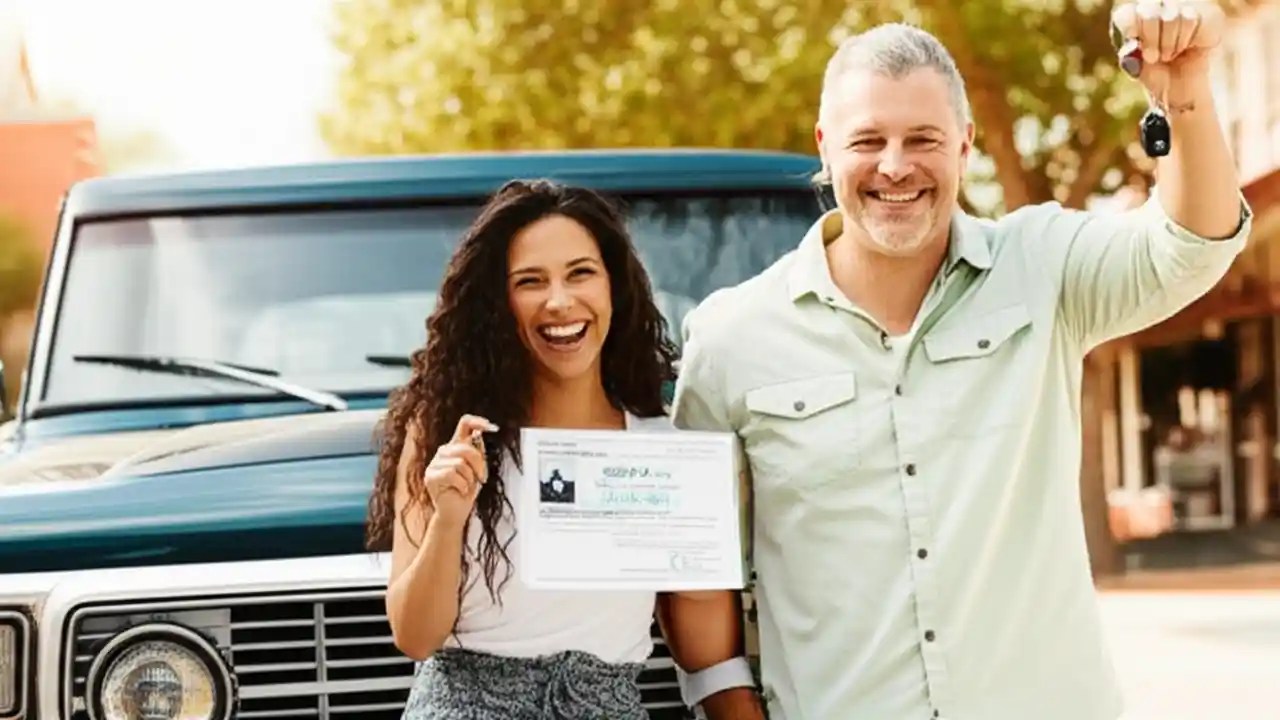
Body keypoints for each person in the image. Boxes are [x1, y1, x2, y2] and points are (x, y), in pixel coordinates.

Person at [672, 4, 1249, 720]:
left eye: (923, 138)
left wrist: (1184, 86)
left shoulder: (1043, 266)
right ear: (824, 147)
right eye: (868, 140)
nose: (895, 166)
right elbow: (693, 567)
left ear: (966, 144)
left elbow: (1195, 245)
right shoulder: (732, 338)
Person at [365, 179, 758, 719]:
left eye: (581, 273)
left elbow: (710, 659)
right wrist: (448, 519)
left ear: (613, 287)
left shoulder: (665, 451)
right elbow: (414, 636)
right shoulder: (445, 432)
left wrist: (699, 538)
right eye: (530, 281)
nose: (559, 301)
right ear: (499, 303)